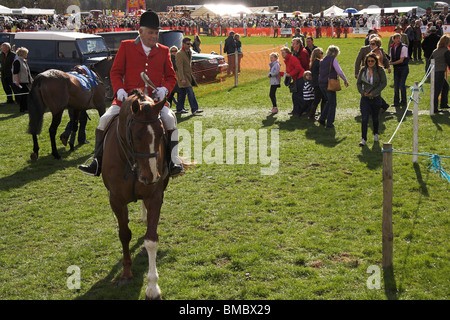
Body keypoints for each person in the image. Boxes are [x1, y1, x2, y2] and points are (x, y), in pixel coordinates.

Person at [78, 10, 181, 177]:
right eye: (151, 33)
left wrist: (165, 89)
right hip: (126, 99)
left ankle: (173, 160)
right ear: (140, 32)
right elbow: (116, 72)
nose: (154, 36)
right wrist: (119, 89)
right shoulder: (126, 46)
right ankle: (97, 161)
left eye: (156, 33)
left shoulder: (163, 51)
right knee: (104, 120)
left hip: (154, 102)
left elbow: (171, 76)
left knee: (169, 119)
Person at [357, 52, 387, 146]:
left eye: (372, 61)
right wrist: (362, 92)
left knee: (375, 118)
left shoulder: (380, 70)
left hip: (376, 98)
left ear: (376, 61)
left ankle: (376, 133)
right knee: (364, 119)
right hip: (365, 99)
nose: (370, 62)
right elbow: (358, 83)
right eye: (368, 61)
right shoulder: (362, 70)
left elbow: (384, 83)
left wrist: (373, 93)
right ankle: (363, 139)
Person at [318, 45, 349, 128]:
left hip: (321, 83)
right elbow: (339, 71)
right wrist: (345, 80)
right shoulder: (333, 59)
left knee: (329, 101)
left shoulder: (322, 60)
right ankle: (329, 122)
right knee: (332, 103)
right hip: (329, 83)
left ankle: (322, 118)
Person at [175, 37, 203, 115]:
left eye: (190, 44)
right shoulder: (179, 54)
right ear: (183, 44)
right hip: (183, 77)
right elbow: (179, 68)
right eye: (187, 44)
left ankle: (179, 109)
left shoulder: (189, 52)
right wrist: (182, 78)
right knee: (190, 92)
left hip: (188, 76)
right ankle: (194, 109)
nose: (189, 45)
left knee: (182, 93)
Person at [280, 46, 304, 117]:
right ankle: (296, 111)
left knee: (298, 95)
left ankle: (300, 111)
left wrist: (290, 74)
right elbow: (289, 71)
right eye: (281, 53)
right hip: (296, 79)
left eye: (283, 53)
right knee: (295, 96)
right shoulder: (287, 60)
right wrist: (283, 74)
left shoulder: (292, 59)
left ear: (288, 53)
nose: (282, 54)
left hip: (300, 78)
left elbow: (298, 68)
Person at [430, 35, 450, 113]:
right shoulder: (446, 51)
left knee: (445, 87)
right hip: (440, 71)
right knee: (437, 90)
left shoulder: (435, 50)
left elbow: (430, 61)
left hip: (434, 71)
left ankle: (443, 104)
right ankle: (434, 108)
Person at [390, 33, 410, 108]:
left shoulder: (404, 47)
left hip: (403, 68)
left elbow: (401, 60)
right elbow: (391, 57)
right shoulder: (392, 47)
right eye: (397, 38)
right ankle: (396, 102)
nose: (398, 40)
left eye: (399, 38)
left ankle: (403, 101)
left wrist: (391, 63)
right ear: (393, 39)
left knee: (402, 84)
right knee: (396, 85)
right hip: (396, 69)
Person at [308, 47, 327, 121]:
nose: (322, 54)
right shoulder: (318, 62)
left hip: (316, 83)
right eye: (321, 53)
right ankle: (312, 116)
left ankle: (320, 115)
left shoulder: (314, 62)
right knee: (320, 100)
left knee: (320, 99)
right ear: (317, 54)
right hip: (318, 83)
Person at [12, 47, 32, 113]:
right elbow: (15, 72)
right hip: (21, 81)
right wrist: (17, 81)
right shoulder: (17, 61)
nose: (26, 55)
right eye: (26, 53)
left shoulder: (24, 61)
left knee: (26, 95)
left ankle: (26, 108)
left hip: (25, 81)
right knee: (24, 96)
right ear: (22, 53)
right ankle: (23, 109)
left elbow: (27, 72)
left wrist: (31, 79)